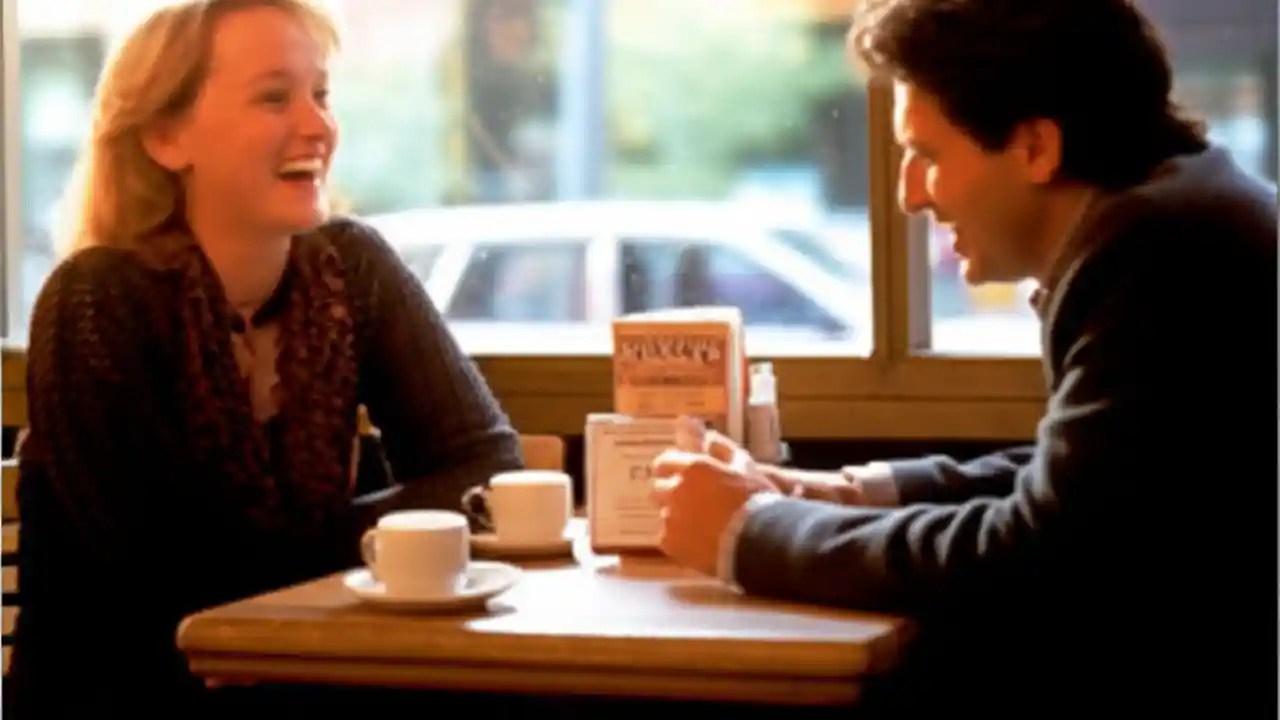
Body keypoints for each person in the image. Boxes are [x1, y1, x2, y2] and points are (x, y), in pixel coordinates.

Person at [650, 0, 1277, 716]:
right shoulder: (1183, 215)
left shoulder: (1161, 251)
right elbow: (1098, 480)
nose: (906, 195)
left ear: (1036, 146)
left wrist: (748, 532)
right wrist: (842, 494)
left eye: (926, 155)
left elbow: (1036, 555)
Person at [5, 1, 522, 716]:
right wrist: (376, 542)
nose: (318, 125)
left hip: (309, 677)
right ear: (164, 134)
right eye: (274, 97)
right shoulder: (95, 301)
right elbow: (166, 585)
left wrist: (290, 553)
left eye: (322, 94)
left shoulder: (351, 267)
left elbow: (491, 468)